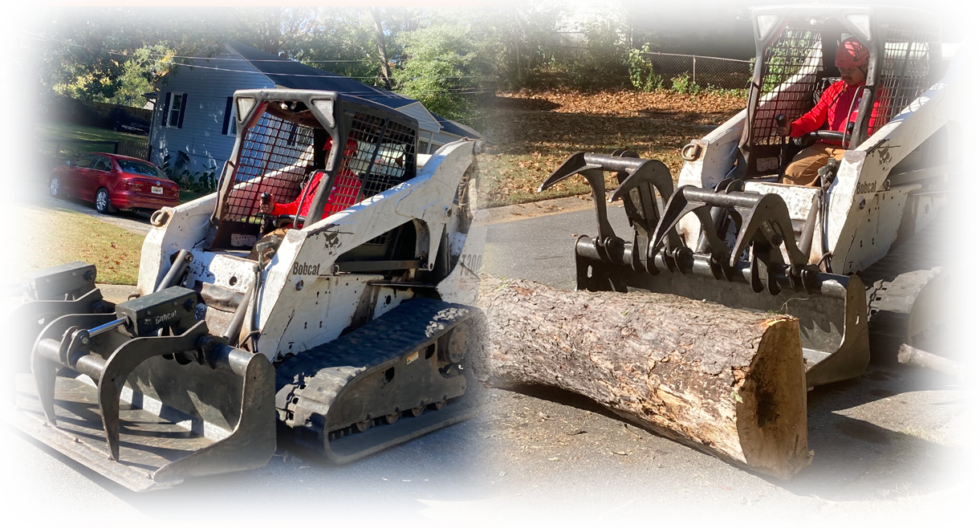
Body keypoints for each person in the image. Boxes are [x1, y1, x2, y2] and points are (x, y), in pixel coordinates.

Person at [777, 37, 871, 186]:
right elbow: (813, 117)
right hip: (823, 147)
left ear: (866, 66)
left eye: (851, 69)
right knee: (793, 172)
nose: (845, 74)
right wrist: (792, 128)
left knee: (836, 175)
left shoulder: (875, 93)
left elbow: (872, 126)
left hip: (852, 150)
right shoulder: (834, 90)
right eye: (842, 69)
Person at [259, 136, 361, 222]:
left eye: (334, 156)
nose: (329, 160)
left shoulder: (352, 186)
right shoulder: (318, 176)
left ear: (348, 158)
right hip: (297, 228)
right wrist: (274, 208)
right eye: (328, 155)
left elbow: (341, 222)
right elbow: (297, 207)